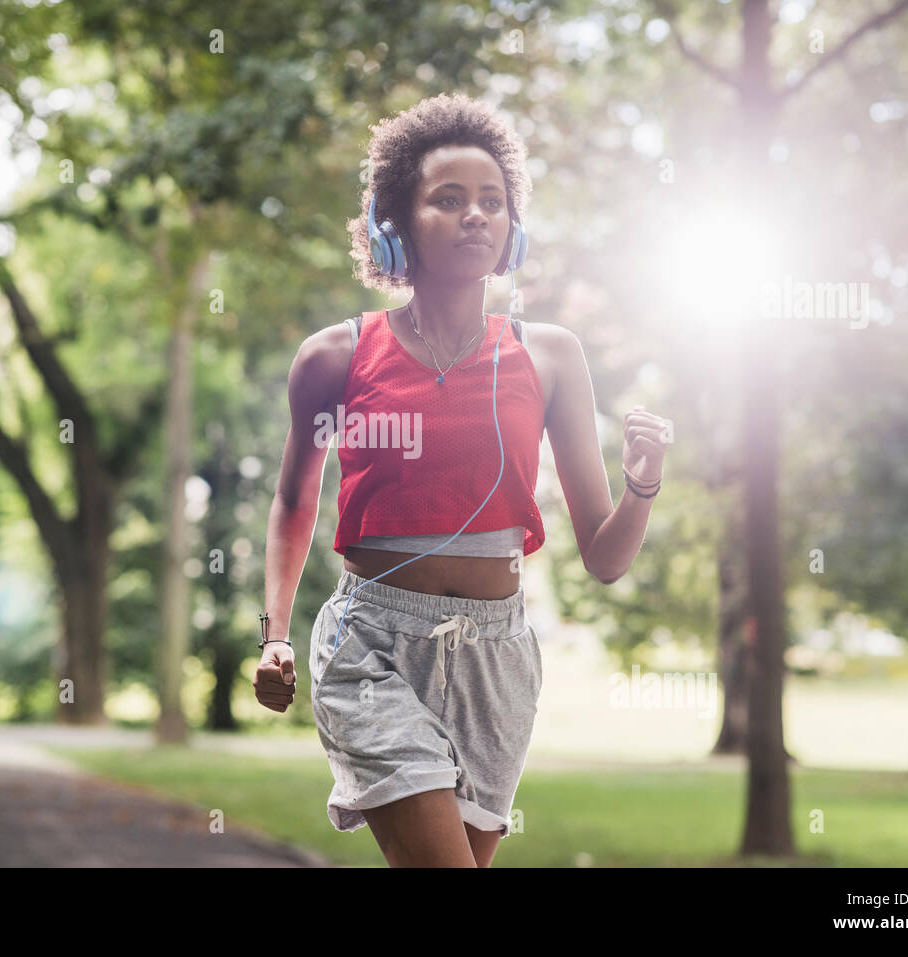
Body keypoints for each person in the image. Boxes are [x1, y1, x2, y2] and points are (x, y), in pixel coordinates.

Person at [252, 92, 671, 867]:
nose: (475, 216)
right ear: (395, 223)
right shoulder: (333, 357)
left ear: (514, 228)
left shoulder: (551, 357)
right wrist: (273, 636)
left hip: (497, 659)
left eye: (492, 202)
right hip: (370, 644)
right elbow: (292, 499)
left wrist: (640, 485)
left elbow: (606, 559)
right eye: (448, 200)